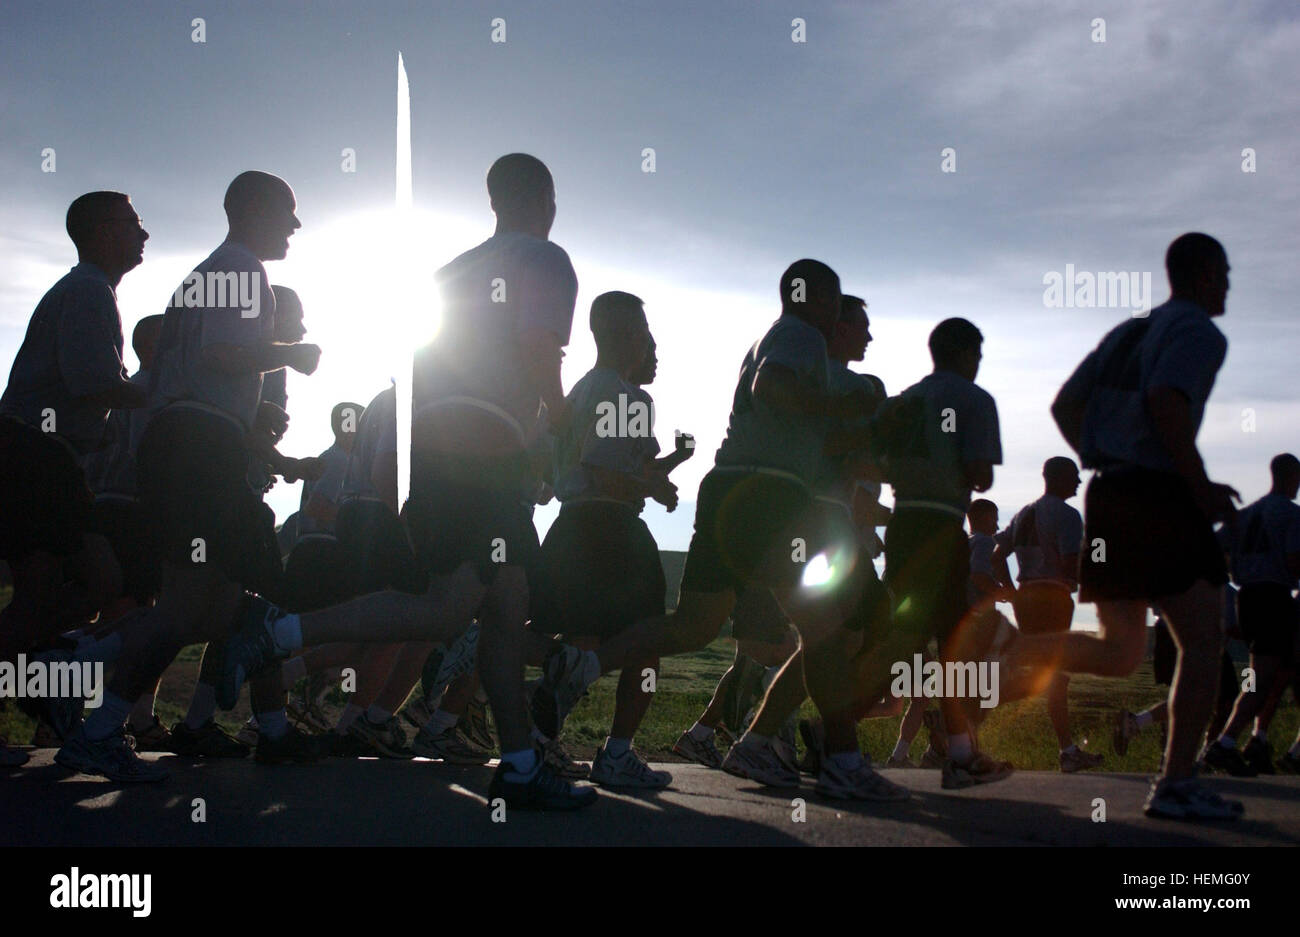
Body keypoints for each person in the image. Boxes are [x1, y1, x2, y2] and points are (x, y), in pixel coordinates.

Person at [55, 172, 482, 782]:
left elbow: (178, 373)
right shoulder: (241, 270)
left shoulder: (204, 274)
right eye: (288, 210)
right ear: (252, 209)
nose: (296, 224)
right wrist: (290, 354)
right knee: (223, 602)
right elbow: (219, 358)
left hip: (186, 445)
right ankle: (99, 701)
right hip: (201, 447)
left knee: (225, 603)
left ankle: (108, 676)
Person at [535, 261, 910, 801]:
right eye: (838, 303)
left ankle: (582, 664)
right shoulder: (799, 335)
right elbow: (772, 388)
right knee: (824, 628)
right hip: (766, 493)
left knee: (693, 627)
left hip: (727, 490)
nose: (855, 325)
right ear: (818, 299)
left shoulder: (775, 341)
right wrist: (843, 406)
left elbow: (796, 423)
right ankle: (836, 759)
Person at [1015, 232, 1243, 820]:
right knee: (1204, 638)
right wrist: (1197, 486)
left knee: (1118, 650)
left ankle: (1010, 648)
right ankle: (1177, 784)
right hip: (1157, 493)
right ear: (1199, 276)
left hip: (1109, 494)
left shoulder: (1128, 331)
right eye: (1223, 273)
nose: (1228, 283)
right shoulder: (1197, 331)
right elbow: (1168, 401)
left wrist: (1102, 452)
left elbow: (1066, 404)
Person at [406, 153, 596, 810]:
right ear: (545, 198)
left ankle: (517, 764)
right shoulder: (546, 259)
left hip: (438, 445)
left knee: (506, 606)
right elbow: (540, 349)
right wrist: (564, 421)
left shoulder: (453, 267)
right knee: (449, 607)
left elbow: (421, 360)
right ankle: (281, 636)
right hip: (483, 449)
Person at [1, 191, 149, 761]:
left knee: (90, 585)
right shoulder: (88, 290)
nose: (144, 234)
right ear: (102, 231)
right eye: (134, 223)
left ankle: (43, 682)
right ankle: (43, 683)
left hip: (46, 458)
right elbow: (92, 383)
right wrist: (164, 392)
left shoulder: (89, 291)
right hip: (34, 455)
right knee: (61, 590)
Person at [991, 456, 1104, 772]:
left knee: (1039, 668)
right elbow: (1070, 563)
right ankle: (1067, 752)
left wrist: (1011, 590)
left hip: (1027, 596)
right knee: (1056, 672)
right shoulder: (1068, 515)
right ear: (1060, 478)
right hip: (1053, 597)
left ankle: (961, 717)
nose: (1079, 483)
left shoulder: (1025, 513)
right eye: (1074, 477)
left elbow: (998, 554)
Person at [1199, 453, 1300, 776]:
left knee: (1271, 671)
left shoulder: (1246, 515)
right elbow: (1294, 560)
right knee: (1265, 676)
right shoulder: (1291, 515)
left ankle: (1253, 741)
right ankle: (1225, 744)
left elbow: (1213, 547)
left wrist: (1234, 569)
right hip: (1274, 594)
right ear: (1292, 477)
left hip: (1248, 597)